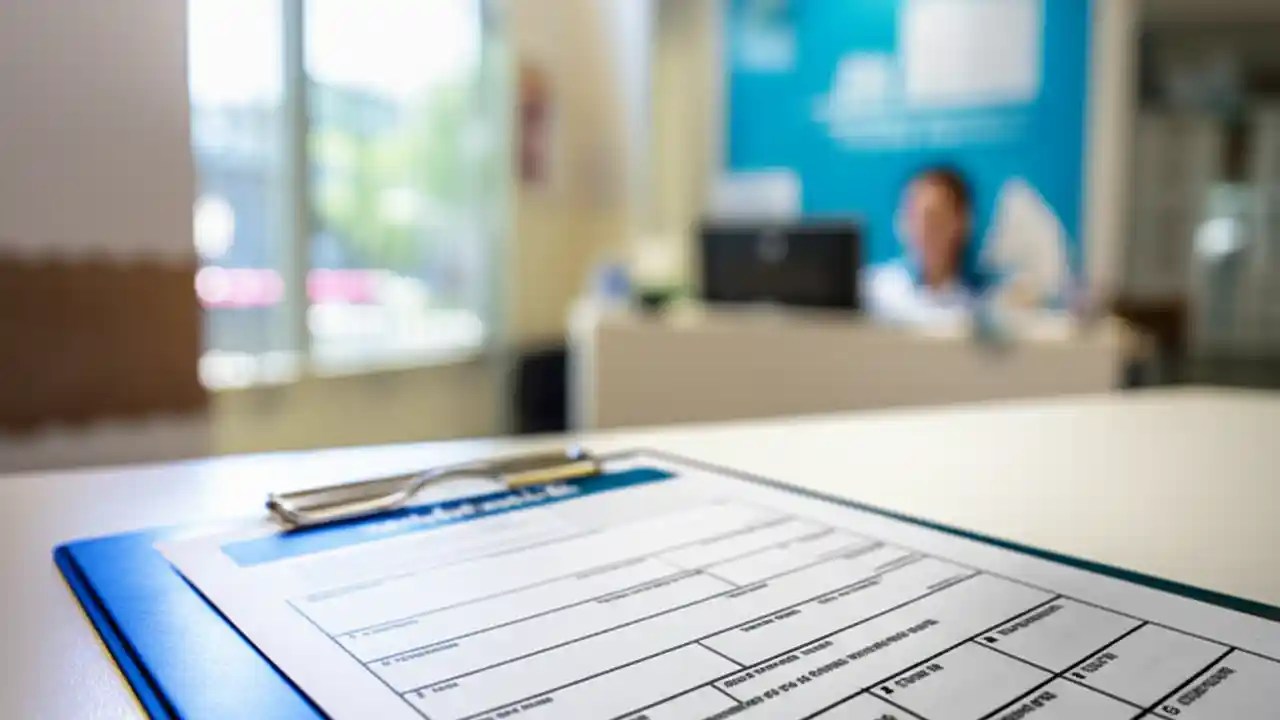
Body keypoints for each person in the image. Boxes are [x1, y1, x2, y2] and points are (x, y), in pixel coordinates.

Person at [864, 166, 983, 326]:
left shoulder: (979, 308)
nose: (921, 229)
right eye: (912, 215)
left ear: (962, 222)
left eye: (933, 217)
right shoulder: (872, 291)